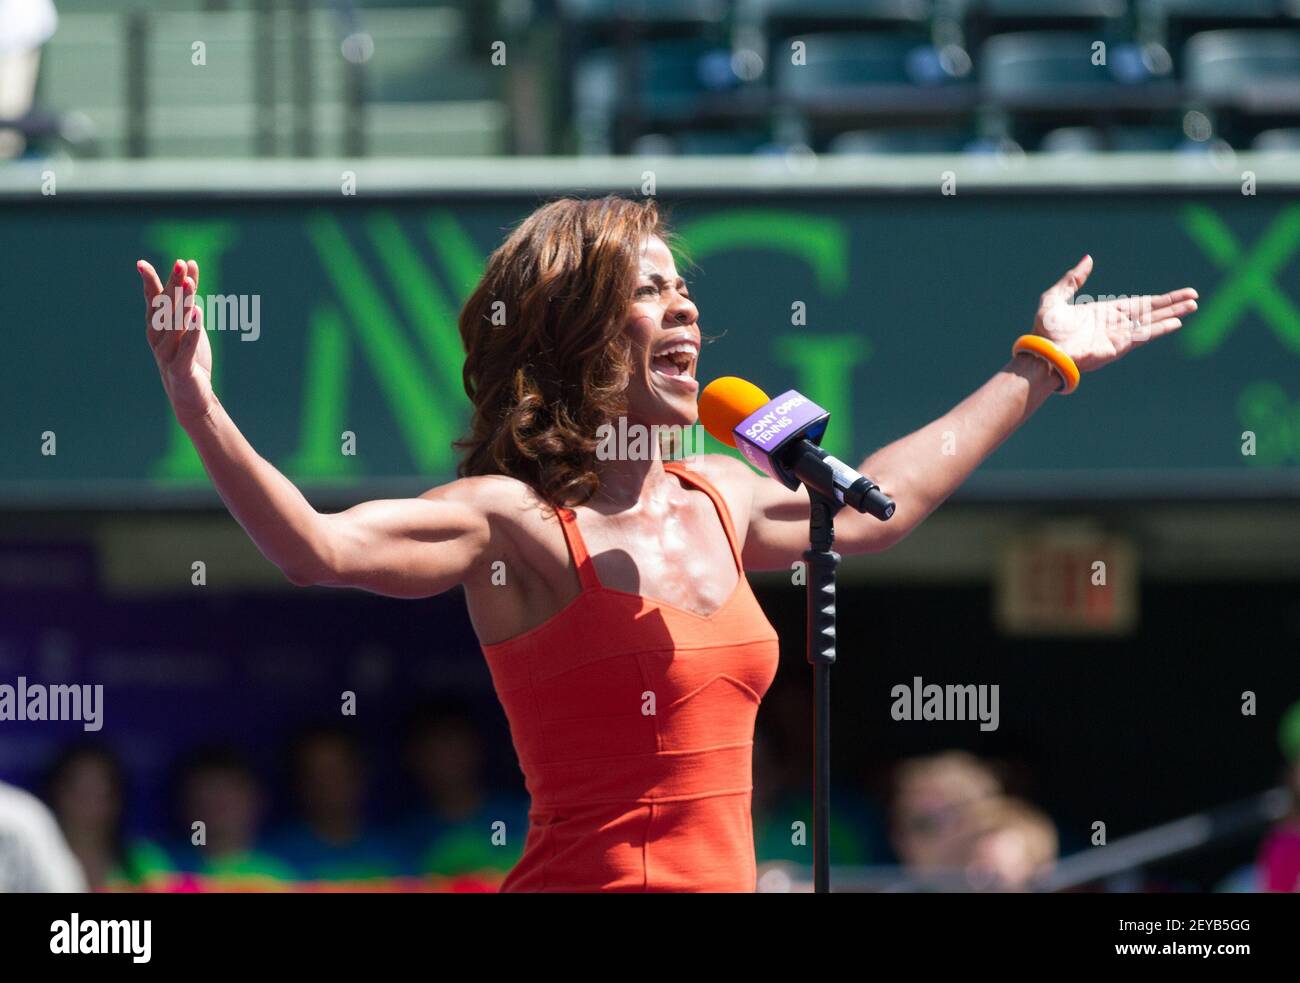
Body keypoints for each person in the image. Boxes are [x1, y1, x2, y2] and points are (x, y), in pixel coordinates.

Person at [136, 195, 1197, 892]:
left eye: (682, 285)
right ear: (578, 333)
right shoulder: (515, 521)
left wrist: (1041, 363)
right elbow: (315, 547)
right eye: (647, 289)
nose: (683, 303)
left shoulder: (724, 496)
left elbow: (885, 504)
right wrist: (199, 404)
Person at [44, 743, 172, 891]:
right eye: (79, 790)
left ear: (117, 800)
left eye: (100, 792)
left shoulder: (145, 862)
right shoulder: (34, 861)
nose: (89, 803)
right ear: (56, 793)